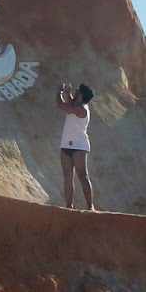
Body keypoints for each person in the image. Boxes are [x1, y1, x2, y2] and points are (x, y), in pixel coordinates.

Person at [56, 82, 95, 211]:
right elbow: (71, 104)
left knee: (83, 176)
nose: (76, 91)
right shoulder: (77, 105)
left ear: (81, 96)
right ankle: (69, 206)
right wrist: (68, 94)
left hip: (79, 146)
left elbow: (61, 106)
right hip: (67, 144)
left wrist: (59, 92)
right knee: (67, 177)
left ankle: (90, 206)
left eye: (78, 91)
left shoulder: (82, 108)